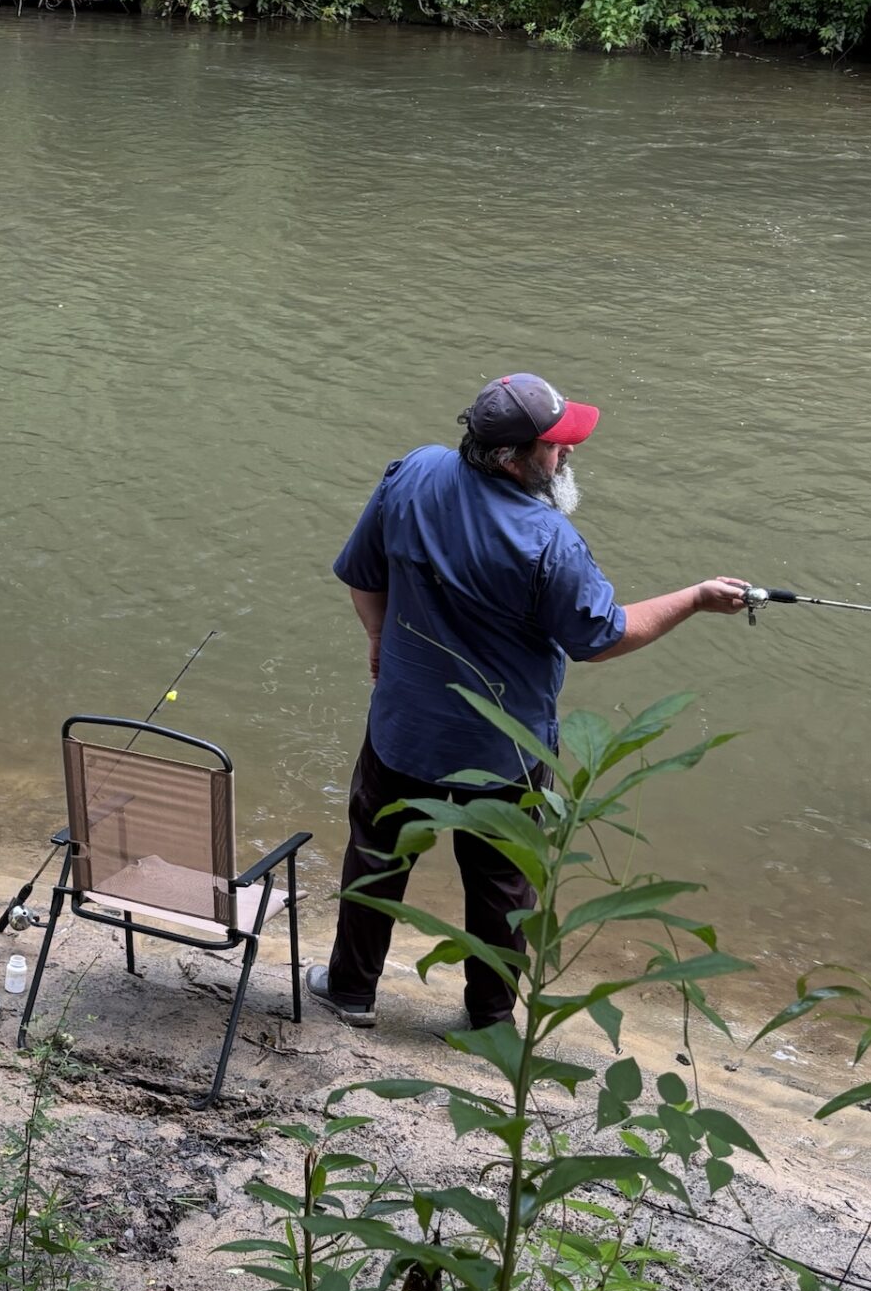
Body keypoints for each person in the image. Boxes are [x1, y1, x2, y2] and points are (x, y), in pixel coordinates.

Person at [306, 372, 747, 1030]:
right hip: (503, 747)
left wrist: (379, 639)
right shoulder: (548, 541)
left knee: (376, 852)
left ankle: (350, 992)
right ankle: (489, 1019)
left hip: (404, 725)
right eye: (555, 445)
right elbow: (601, 638)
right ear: (513, 457)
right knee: (501, 881)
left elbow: (363, 576)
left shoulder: (414, 473)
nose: (568, 452)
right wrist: (693, 599)